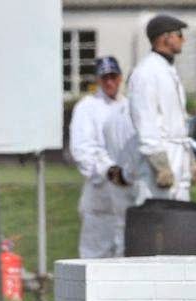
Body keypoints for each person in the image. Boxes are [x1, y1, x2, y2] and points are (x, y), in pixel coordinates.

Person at [127, 14, 196, 205]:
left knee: (182, 223)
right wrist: (160, 164)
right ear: (164, 37)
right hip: (158, 161)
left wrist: (189, 159)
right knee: (157, 225)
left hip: (177, 156)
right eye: (179, 35)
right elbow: (145, 119)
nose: (183, 39)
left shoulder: (169, 70)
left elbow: (178, 121)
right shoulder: (146, 72)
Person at [69, 56, 127, 259]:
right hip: (100, 188)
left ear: (120, 78)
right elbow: (82, 149)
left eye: (113, 76)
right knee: (95, 254)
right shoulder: (87, 107)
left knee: (123, 253)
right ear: (98, 80)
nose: (110, 82)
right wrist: (106, 170)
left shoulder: (128, 106)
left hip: (126, 189)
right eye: (105, 78)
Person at [102, 99, 139, 257]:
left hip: (118, 177)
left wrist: (111, 169)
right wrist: (126, 174)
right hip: (137, 180)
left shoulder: (112, 117)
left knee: (122, 230)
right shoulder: (142, 113)